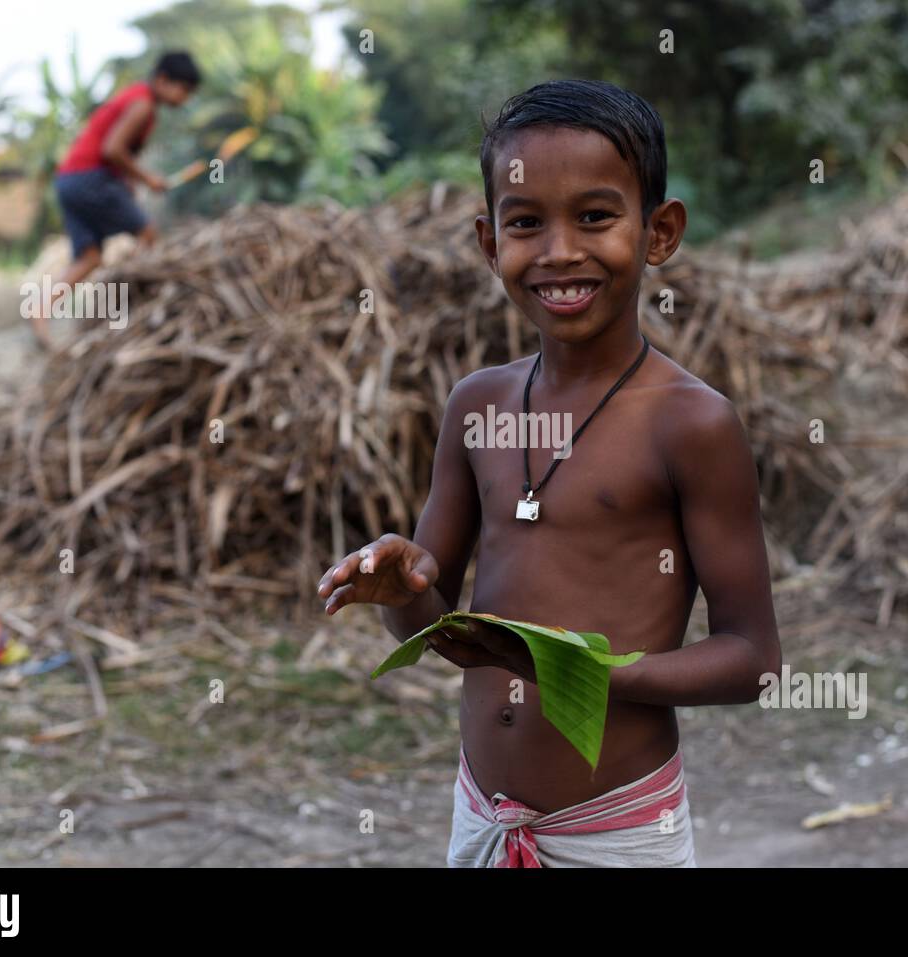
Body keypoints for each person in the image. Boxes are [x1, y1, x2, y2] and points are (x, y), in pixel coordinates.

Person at [317, 79, 781, 867]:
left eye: (595, 217)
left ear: (659, 231)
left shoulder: (690, 422)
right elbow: (436, 630)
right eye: (527, 223)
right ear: (490, 242)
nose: (561, 251)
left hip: (621, 830)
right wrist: (403, 593)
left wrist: (585, 674)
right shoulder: (477, 405)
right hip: (484, 817)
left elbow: (752, 660)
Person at [30, 51, 200, 348]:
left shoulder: (135, 98)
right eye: (183, 90)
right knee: (147, 234)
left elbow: (111, 152)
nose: (184, 99)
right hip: (89, 179)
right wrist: (148, 178)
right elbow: (112, 149)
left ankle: (40, 310)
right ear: (162, 80)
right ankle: (133, 309)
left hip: (69, 180)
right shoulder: (143, 105)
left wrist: (128, 181)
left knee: (90, 257)